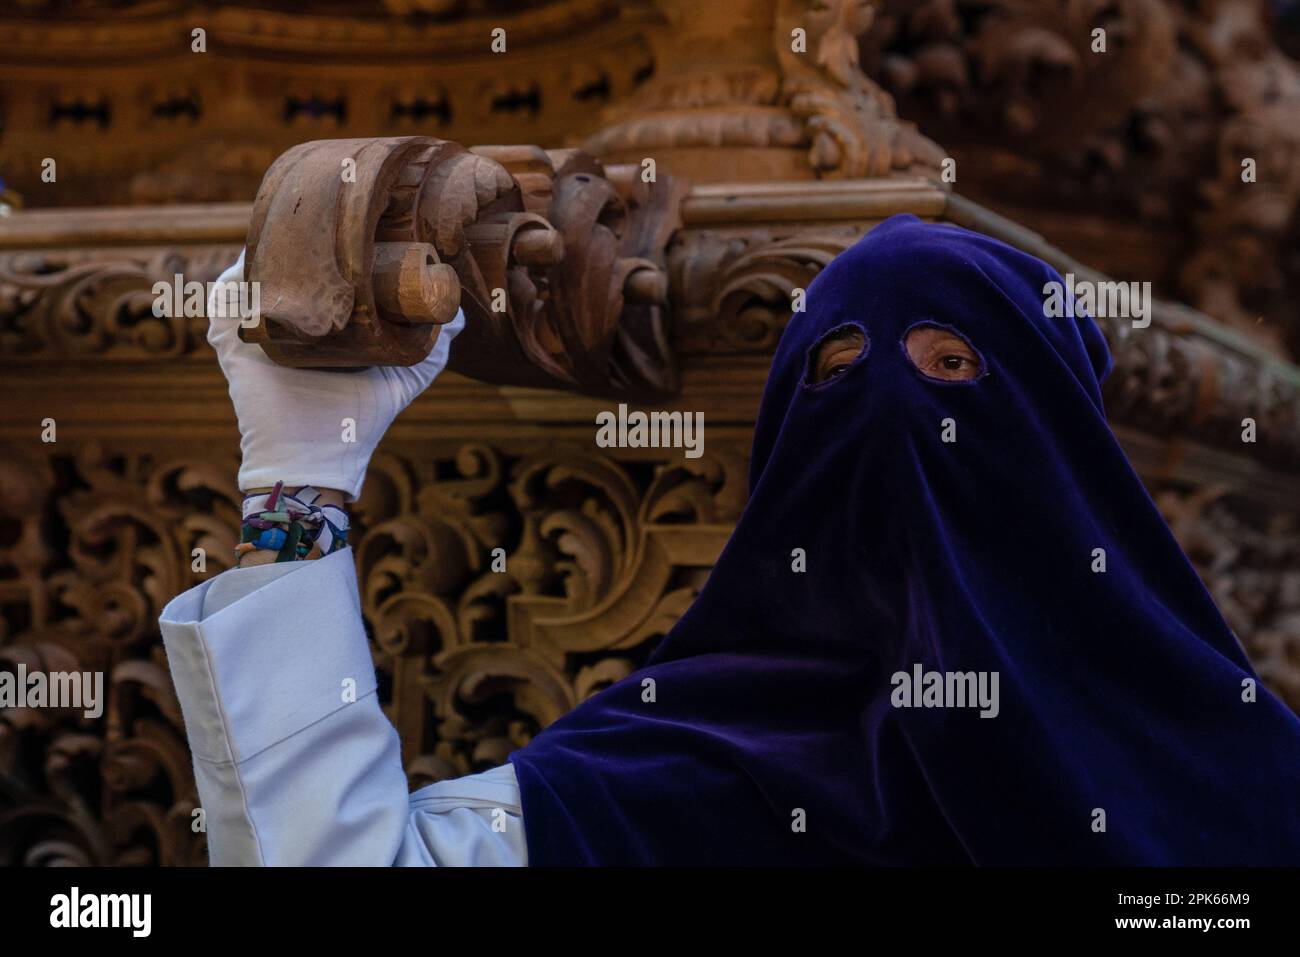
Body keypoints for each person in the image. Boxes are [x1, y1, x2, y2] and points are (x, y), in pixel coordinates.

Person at [159, 215, 1300, 866]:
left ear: (1062, 455)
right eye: (839, 379)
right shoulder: (684, 774)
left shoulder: (1238, 776)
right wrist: (300, 487)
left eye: (956, 370)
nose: (899, 419)